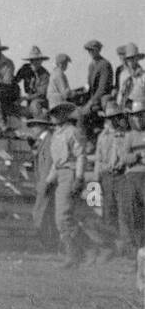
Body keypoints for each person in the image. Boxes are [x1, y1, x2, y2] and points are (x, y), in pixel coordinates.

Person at [44, 101, 102, 267]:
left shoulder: (72, 132)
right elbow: (57, 162)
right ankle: (76, 254)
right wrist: (50, 180)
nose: (53, 117)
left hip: (70, 174)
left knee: (63, 217)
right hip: (61, 174)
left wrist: (78, 178)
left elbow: (80, 156)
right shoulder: (57, 135)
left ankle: (87, 250)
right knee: (61, 218)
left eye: (57, 113)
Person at [93, 103, 129, 258]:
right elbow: (98, 159)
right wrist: (96, 180)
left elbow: (128, 156)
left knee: (123, 213)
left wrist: (122, 163)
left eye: (116, 117)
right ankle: (109, 248)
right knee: (108, 213)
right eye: (110, 118)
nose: (113, 121)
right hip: (107, 177)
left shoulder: (126, 135)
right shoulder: (103, 136)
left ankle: (125, 248)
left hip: (122, 177)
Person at [25, 108, 58, 249]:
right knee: (45, 214)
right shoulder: (43, 140)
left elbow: (48, 164)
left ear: (42, 126)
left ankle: (47, 244)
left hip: (46, 182)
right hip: (44, 182)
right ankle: (50, 244)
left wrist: (44, 183)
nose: (32, 129)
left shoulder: (48, 140)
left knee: (40, 213)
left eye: (34, 125)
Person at [119, 102, 145, 251]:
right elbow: (124, 157)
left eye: (141, 115)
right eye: (135, 116)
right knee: (133, 211)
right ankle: (138, 248)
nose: (138, 119)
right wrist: (137, 156)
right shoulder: (129, 136)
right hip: (133, 176)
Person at [15, 46, 50, 115]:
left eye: (37, 60)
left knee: (35, 105)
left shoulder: (45, 75)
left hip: (41, 101)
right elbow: (15, 80)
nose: (34, 63)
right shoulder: (25, 69)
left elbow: (41, 93)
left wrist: (25, 98)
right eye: (32, 60)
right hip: (29, 99)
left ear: (41, 61)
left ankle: (40, 123)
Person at [85, 39, 115, 110]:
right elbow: (90, 85)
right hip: (94, 98)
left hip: (102, 99)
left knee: (82, 114)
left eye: (92, 50)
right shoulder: (91, 65)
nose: (90, 52)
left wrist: (91, 102)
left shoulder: (104, 64)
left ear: (98, 50)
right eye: (89, 50)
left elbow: (102, 88)